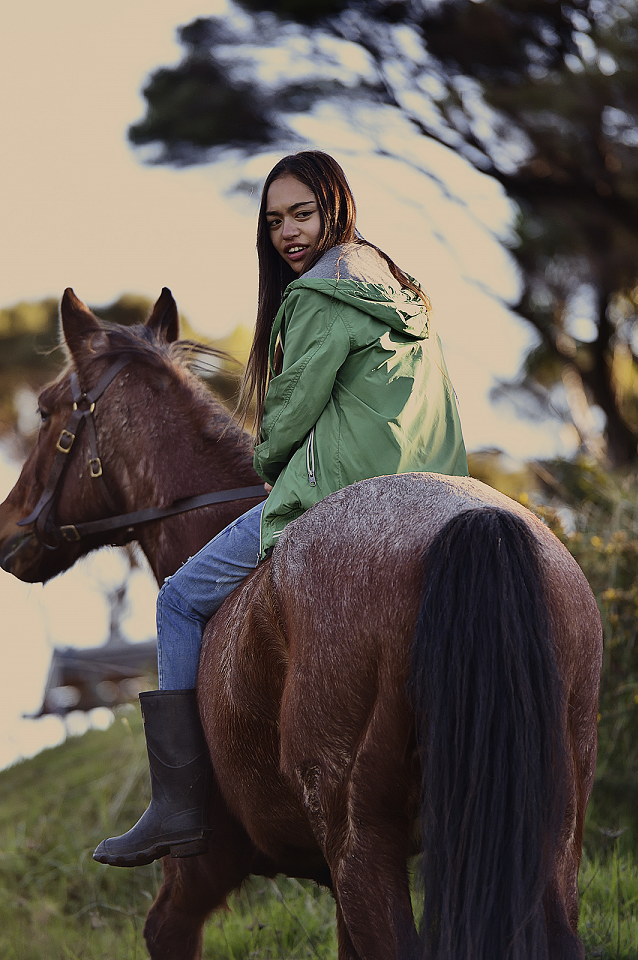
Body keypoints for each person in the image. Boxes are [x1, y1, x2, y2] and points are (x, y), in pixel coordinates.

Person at [93, 151, 468, 868]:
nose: (288, 233)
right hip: (432, 487)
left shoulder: (315, 298)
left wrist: (267, 463)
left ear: (336, 208)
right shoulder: (404, 294)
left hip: (331, 495)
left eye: (301, 214)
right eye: (274, 222)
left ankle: (179, 803)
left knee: (178, 599)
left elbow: (289, 416)